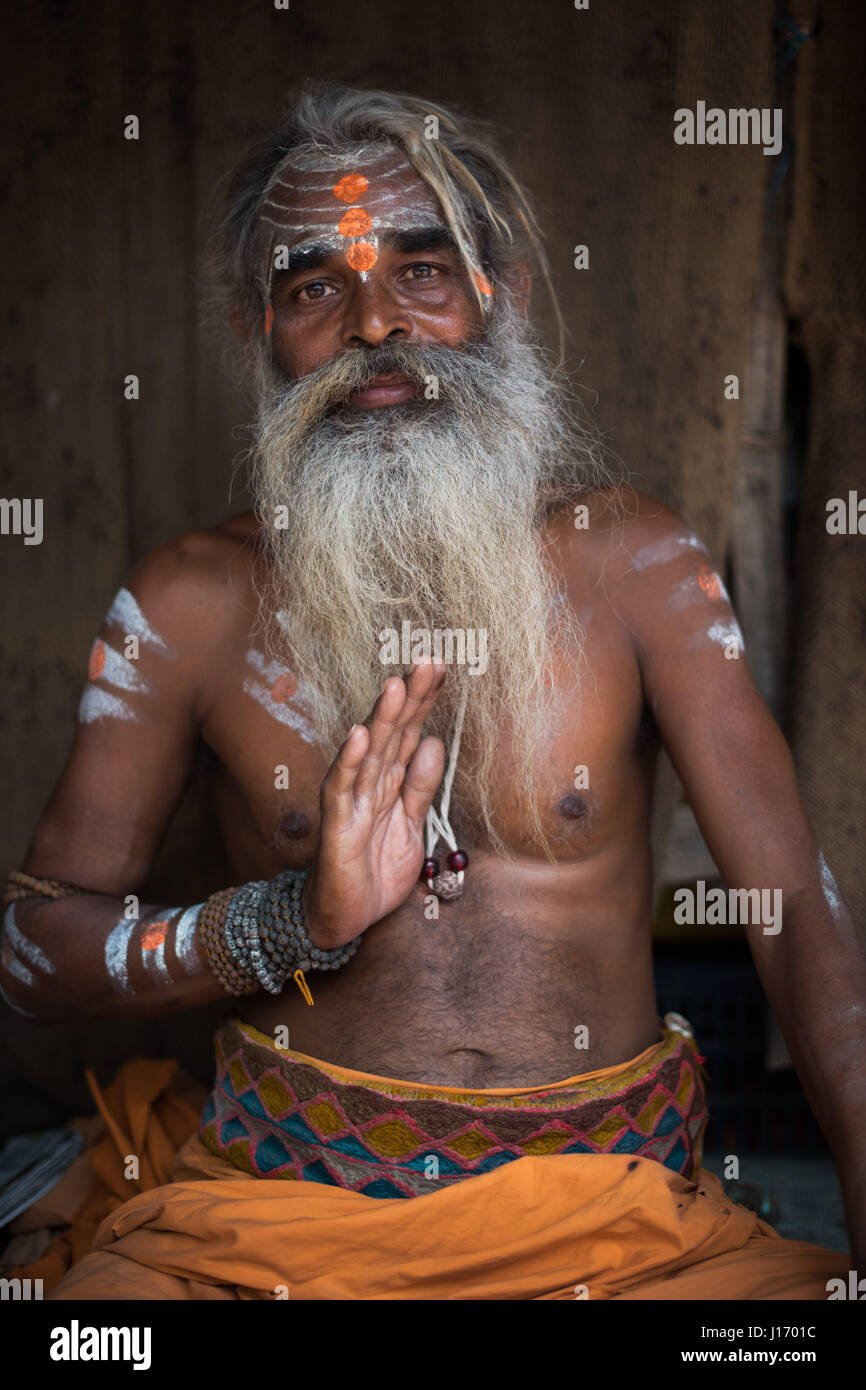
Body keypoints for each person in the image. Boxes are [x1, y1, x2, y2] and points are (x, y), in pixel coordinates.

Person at [2, 84, 861, 1300]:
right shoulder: (190, 599)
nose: (373, 326)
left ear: (494, 292)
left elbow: (797, 921)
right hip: (271, 1219)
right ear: (260, 333)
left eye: (423, 271)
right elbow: (33, 950)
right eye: (314, 289)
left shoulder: (635, 565)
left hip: (620, 1234)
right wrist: (290, 922)